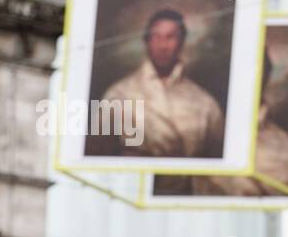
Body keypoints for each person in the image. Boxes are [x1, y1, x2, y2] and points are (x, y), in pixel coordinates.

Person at [90, 8, 225, 162]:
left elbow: (218, 163)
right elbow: (96, 156)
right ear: (146, 41)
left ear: (182, 42)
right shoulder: (119, 94)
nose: (162, 45)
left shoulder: (205, 103)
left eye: (170, 37)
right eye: (156, 36)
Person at [189, 51, 288, 198]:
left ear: (265, 76)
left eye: (250, 71)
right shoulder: (199, 131)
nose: (242, 80)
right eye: (237, 71)